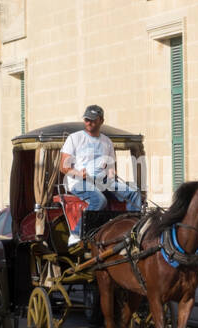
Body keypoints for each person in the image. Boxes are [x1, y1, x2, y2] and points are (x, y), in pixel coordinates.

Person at [59, 104, 141, 247]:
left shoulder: (107, 142)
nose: (89, 123)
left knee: (134, 193)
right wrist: (78, 173)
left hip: (102, 181)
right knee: (99, 199)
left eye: (92, 120)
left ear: (101, 121)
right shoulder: (74, 138)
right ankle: (77, 233)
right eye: (86, 120)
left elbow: (110, 168)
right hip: (79, 181)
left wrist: (111, 173)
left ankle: (132, 228)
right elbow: (63, 167)